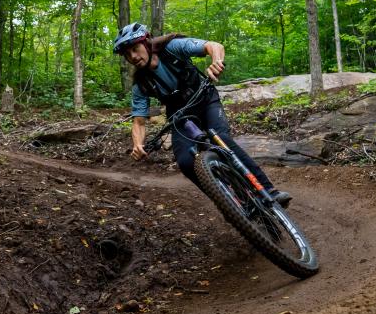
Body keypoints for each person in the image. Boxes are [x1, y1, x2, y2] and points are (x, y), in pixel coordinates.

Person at [113, 23, 291, 207]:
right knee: (185, 162)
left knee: (220, 139)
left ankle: (268, 190)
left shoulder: (172, 47)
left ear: (147, 43)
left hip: (205, 99)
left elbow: (213, 46)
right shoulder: (140, 84)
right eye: (127, 55)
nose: (133, 57)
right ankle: (227, 202)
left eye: (135, 49)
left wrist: (216, 61)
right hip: (180, 115)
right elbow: (139, 121)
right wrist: (137, 145)